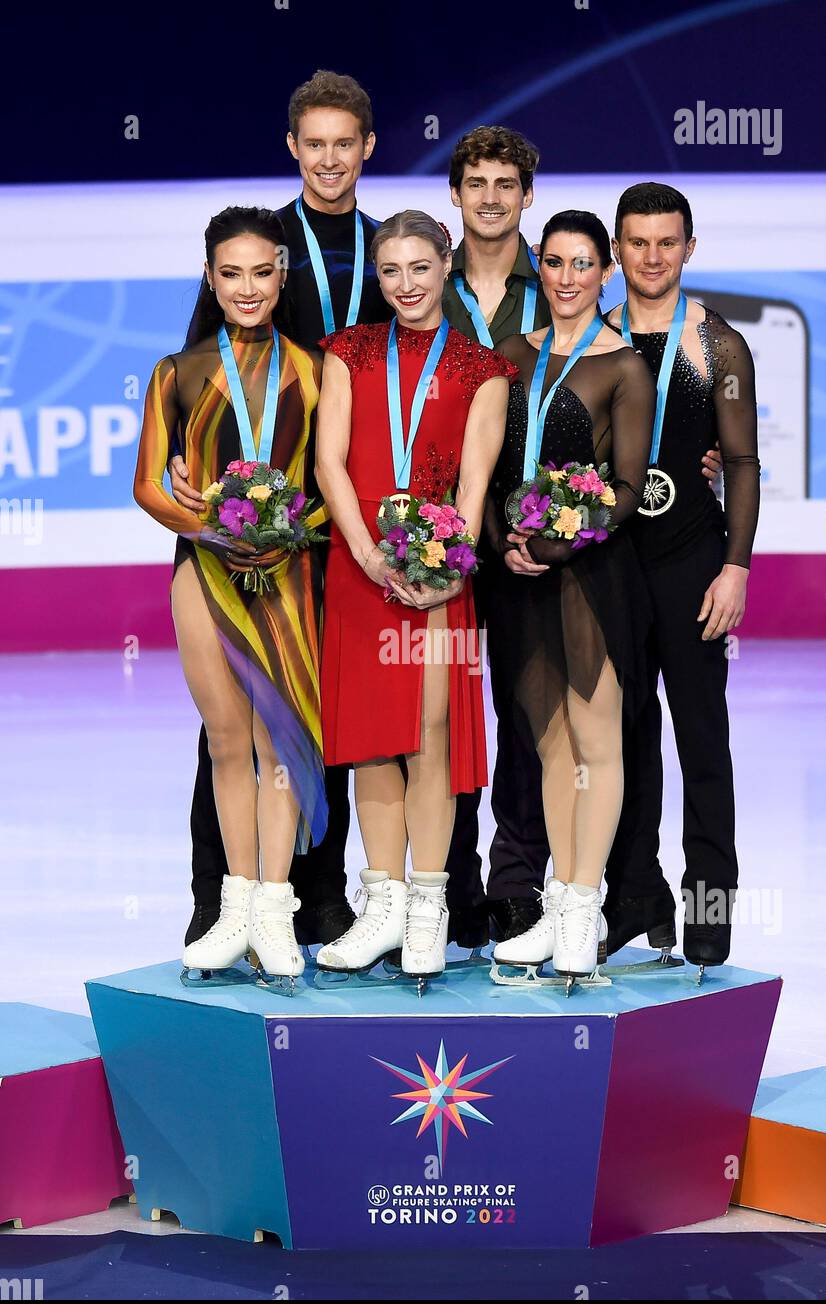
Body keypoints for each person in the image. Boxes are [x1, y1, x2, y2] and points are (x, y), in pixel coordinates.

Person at [167, 71, 390, 951]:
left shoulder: (386, 250)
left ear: (367, 149)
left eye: (346, 142)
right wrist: (201, 493)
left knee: (312, 708)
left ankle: (318, 894)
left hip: (344, 515)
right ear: (292, 148)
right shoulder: (255, 243)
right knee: (233, 713)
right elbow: (200, 369)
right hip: (251, 526)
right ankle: (216, 891)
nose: (330, 158)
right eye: (315, 143)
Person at [313, 210, 515, 985]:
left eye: (420, 269)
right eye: (391, 271)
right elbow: (330, 461)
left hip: (438, 578)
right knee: (369, 737)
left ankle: (428, 907)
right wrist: (364, 553)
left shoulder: (481, 367)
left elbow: (473, 482)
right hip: (359, 569)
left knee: (428, 732)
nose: (406, 285)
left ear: (446, 267)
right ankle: (383, 903)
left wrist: (447, 565)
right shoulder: (348, 352)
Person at [134, 206, 327, 984]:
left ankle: (276, 911)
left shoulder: (315, 370)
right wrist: (212, 528)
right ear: (210, 280)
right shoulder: (175, 374)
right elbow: (148, 484)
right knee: (226, 739)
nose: (247, 288)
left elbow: (327, 479)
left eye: (261, 273)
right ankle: (234, 908)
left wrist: (287, 529)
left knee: (281, 741)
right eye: (230, 274)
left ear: (282, 277)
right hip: (202, 567)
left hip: (289, 567)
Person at [485, 210, 656, 979]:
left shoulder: (623, 366)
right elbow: (485, 469)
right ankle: (558, 901)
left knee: (598, 740)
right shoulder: (510, 355)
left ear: (605, 271)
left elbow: (626, 489)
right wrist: (503, 542)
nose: (566, 278)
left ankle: (586, 905)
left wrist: (561, 540)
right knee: (549, 739)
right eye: (553, 262)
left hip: (592, 575)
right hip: (519, 574)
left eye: (583, 264)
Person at [603, 182, 761, 970]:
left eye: (668, 243)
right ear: (616, 249)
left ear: (689, 249)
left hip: (695, 563)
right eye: (637, 242)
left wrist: (735, 567)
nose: (652, 257)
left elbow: (741, 462)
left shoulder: (719, 346)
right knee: (621, 737)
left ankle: (709, 911)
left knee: (702, 740)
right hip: (613, 565)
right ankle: (633, 896)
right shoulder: (593, 336)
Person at [440, 124, 553, 952]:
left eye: (504, 183)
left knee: (523, 708)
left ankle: (517, 882)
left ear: (525, 195)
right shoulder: (416, 276)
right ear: (456, 193)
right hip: (432, 531)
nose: (489, 197)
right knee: (438, 712)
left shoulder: (554, 284)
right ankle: (446, 885)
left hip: (523, 532)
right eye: (475, 181)